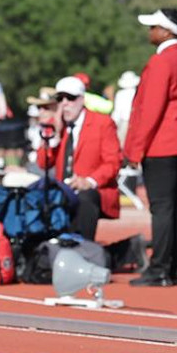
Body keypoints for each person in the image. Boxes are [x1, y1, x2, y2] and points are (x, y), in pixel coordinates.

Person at [123, 9, 177, 287]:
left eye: (153, 26)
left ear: (166, 31)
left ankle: (159, 269)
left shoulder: (160, 63)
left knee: (163, 208)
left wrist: (135, 150)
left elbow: (149, 111)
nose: (149, 31)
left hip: (161, 144)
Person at [34, 75, 120, 240]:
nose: (65, 103)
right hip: (62, 191)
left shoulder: (102, 123)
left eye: (70, 98)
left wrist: (88, 181)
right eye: (60, 98)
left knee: (84, 198)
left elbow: (113, 163)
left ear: (82, 99)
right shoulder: (55, 125)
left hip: (94, 191)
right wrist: (55, 136)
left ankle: (82, 247)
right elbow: (42, 163)